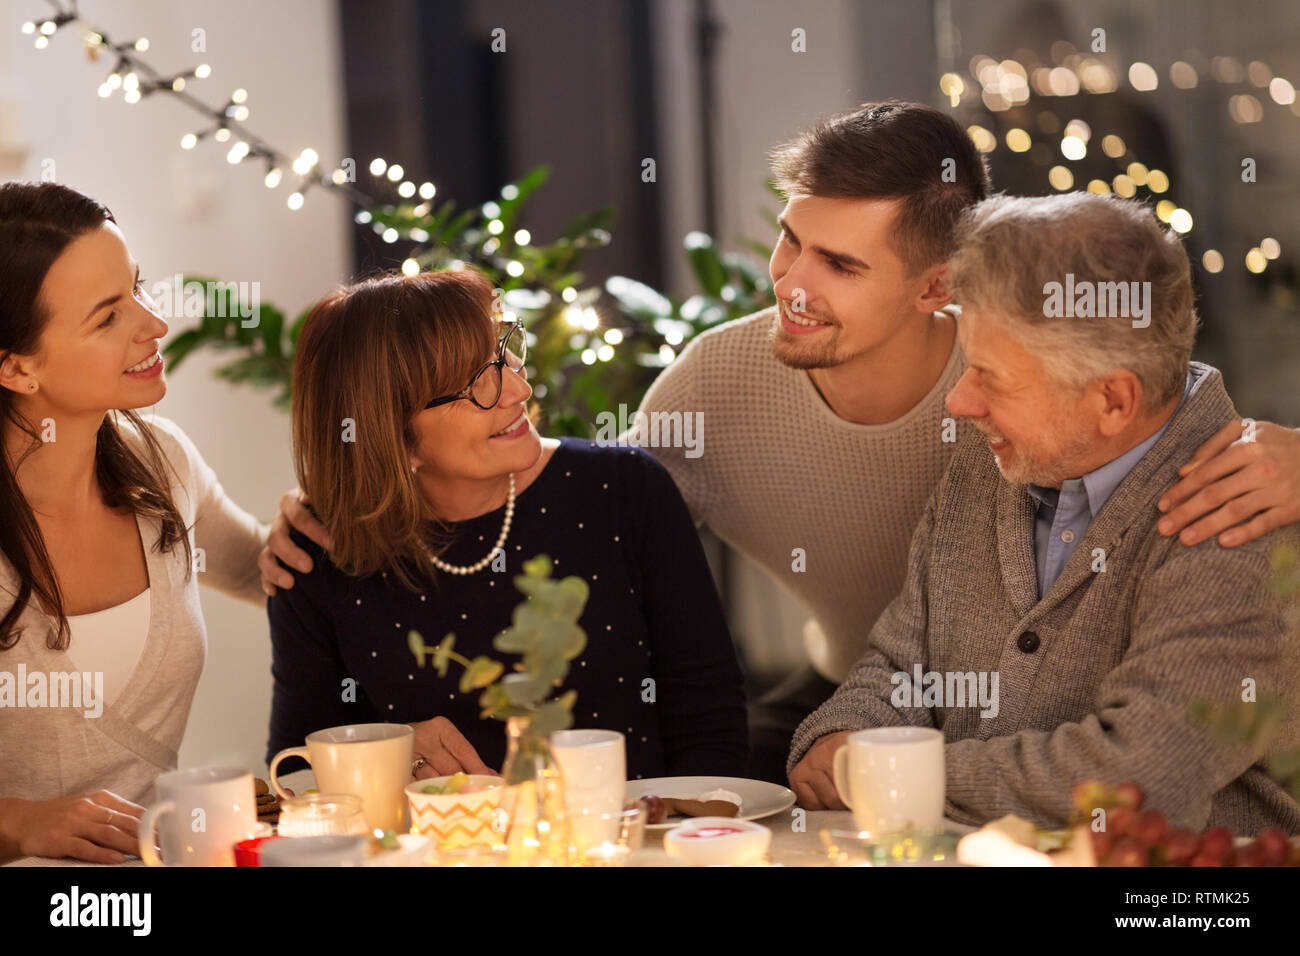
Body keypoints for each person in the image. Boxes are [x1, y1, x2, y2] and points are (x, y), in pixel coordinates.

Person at [263, 101, 1300, 785]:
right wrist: (344, 500)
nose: (792, 285)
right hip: (856, 702)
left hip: (950, 759)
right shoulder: (723, 382)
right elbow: (568, 500)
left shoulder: (1057, 392)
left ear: (936, 288)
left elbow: (1158, 414)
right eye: (790, 241)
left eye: (839, 266)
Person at [788, 192, 1300, 835]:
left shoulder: (1242, 513)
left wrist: (893, 772)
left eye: (990, 378)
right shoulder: (998, 458)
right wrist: (846, 732)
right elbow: (901, 665)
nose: (959, 402)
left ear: (1113, 400)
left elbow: (1141, 779)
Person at [265, 268, 748, 780]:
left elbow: (710, 719)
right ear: (396, 440)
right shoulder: (315, 550)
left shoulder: (623, 489)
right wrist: (387, 752)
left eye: (503, 352)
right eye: (476, 384)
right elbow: (295, 776)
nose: (518, 388)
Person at [0, 181, 268, 864]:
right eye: (107, 317)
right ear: (17, 367)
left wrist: (306, 520)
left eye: (139, 290)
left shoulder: (164, 460)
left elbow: (268, 569)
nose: (154, 324)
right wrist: (19, 823)